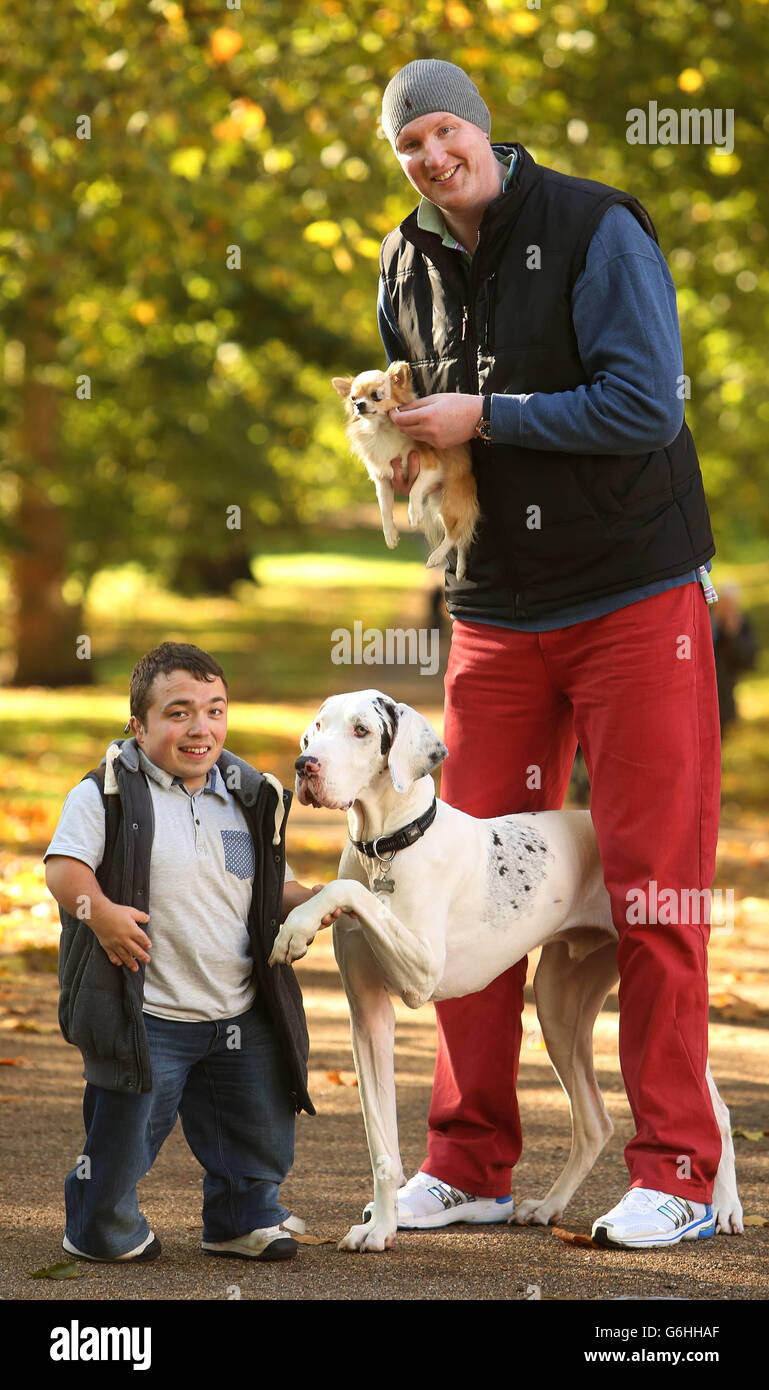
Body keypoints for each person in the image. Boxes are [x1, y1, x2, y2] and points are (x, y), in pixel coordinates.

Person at [374, 59, 723, 1248]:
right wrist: (410, 452)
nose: (428, 154)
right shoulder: (404, 258)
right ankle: (468, 1161)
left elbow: (645, 405)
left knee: (650, 880)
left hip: (633, 593)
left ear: (478, 126)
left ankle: (675, 1171)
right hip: (493, 609)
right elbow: (433, 421)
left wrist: (490, 416)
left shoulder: (594, 226)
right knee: (454, 885)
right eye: (406, 142)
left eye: (439, 129)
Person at [45, 641, 343, 1263]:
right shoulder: (108, 793)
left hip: (239, 1005)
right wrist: (99, 915)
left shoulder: (247, 796)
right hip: (147, 1009)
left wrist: (311, 899)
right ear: (139, 725)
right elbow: (65, 869)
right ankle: (100, 1224)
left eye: (214, 709)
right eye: (178, 712)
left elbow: (265, 886)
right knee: (126, 1132)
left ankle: (242, 1216)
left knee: (257, 1124)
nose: (199, 727)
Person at [711, 585, 757, 738]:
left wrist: (733, 636)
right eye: (724, 603)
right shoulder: (707, 619)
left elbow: (748, 661)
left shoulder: (742, 625)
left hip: (723, 697)